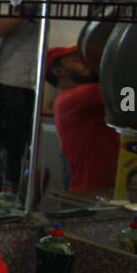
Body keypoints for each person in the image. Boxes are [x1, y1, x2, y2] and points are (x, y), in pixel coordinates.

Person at [46, 45, 119, 194]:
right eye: (75, 59)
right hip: (92, 188)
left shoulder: (68, 97)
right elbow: (127, 99)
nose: (84, 62)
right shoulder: (77, 95)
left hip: (93, 185)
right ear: (59, 71)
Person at [0, 14, 39, 194]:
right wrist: (25, 6)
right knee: (6, 144)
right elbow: (0, 27)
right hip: (6, 82)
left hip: (27, 85)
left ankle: (13, 192)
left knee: (20, 146)